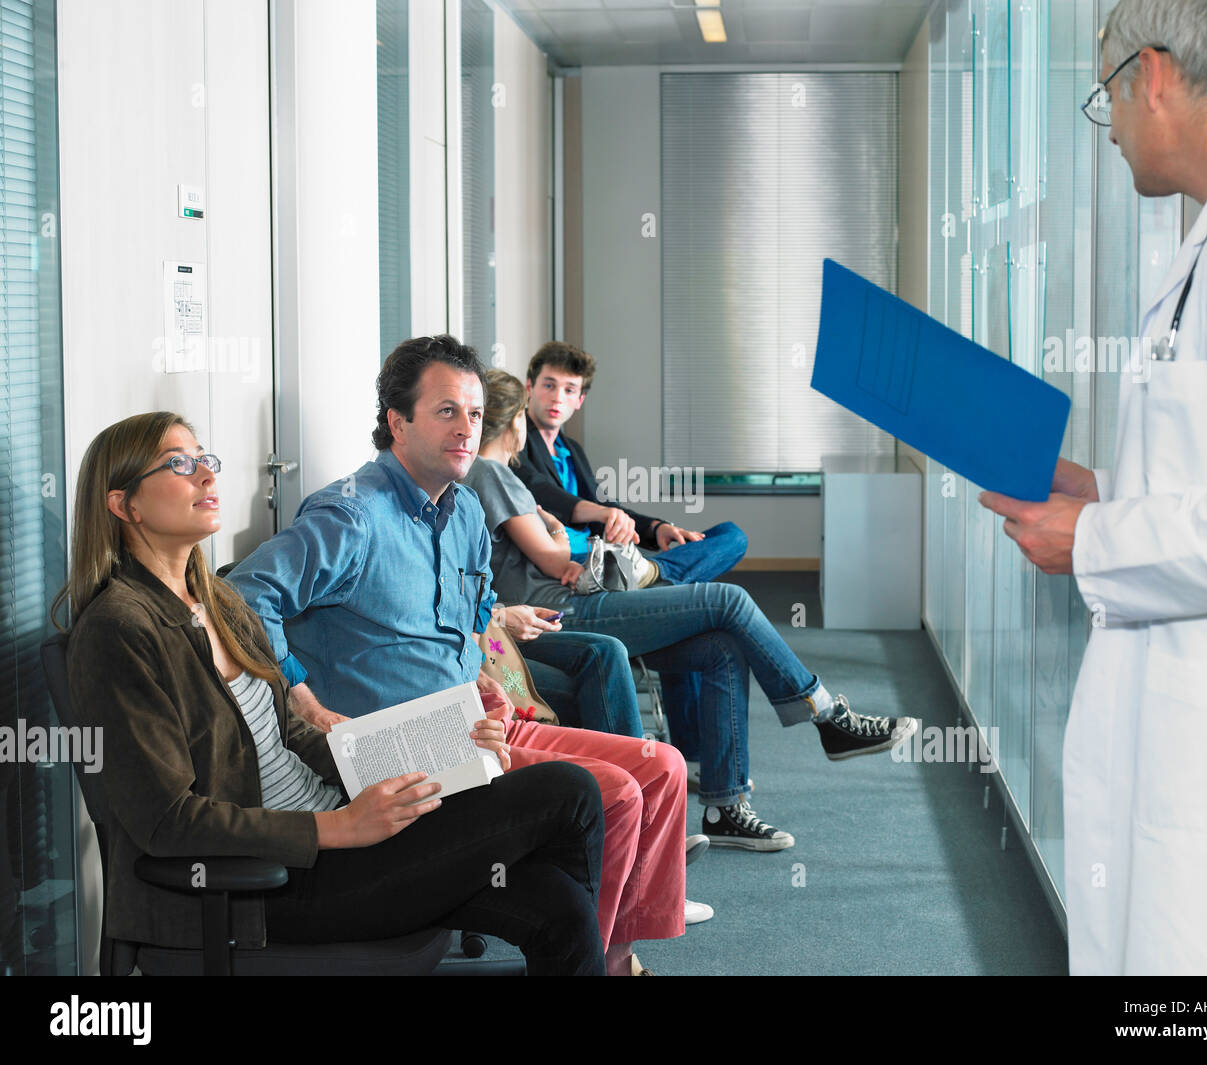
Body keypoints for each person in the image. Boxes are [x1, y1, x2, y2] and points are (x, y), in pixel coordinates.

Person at [979, 0, 1207, 975]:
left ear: (1152, 77)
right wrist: (1105, 493)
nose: (1111, 127)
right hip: (1191, 736)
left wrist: (1093, 540)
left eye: (1105, 98)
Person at [55, 412, 606, 974]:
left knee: (558, 906)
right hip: (270, 882)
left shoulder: (217, 601)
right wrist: (338, 829)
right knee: (568, 789)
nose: (205, 476)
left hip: (338, 825)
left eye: (205, 459)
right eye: (178, 464)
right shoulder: (119, 630)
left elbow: (292, 735)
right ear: (124, 505)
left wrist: (446, 749)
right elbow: (168, 821)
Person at [228, 336, 688, 974]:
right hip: (400, 748)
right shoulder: (352, 515)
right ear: (398, 421)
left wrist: (491, 693)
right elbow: (240, 598)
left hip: (471, 726)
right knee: (611, 792)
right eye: (446, 411)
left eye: (474, 414)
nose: (466, 429)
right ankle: (602, 959)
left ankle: (616, 952)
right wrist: (308, 704)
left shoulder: (465, 508)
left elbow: (475, 620)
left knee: (661, 766)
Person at [464, 369, 919, 852]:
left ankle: (726, 806)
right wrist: (555, 529)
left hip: (573, 601)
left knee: (721, 647)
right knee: (728, 600)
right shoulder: (493, 472)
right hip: (565, 610)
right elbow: (554, 561)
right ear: (515, 419)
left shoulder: (496, 474)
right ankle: (825, 714)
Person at [514, 341, 749, 775]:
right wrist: (606, 514)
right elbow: (559, 501)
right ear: (530, 388)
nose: (556, 398)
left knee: (729, 536)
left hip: (617, 560)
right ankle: (659, 577)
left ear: (580, 400)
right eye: (548, 386)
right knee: (710, 612)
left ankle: (659, 575)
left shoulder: (570, 450)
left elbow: (604, 503)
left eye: (569, 390)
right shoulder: (515, 447)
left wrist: (657, 527)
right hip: (584, 578)